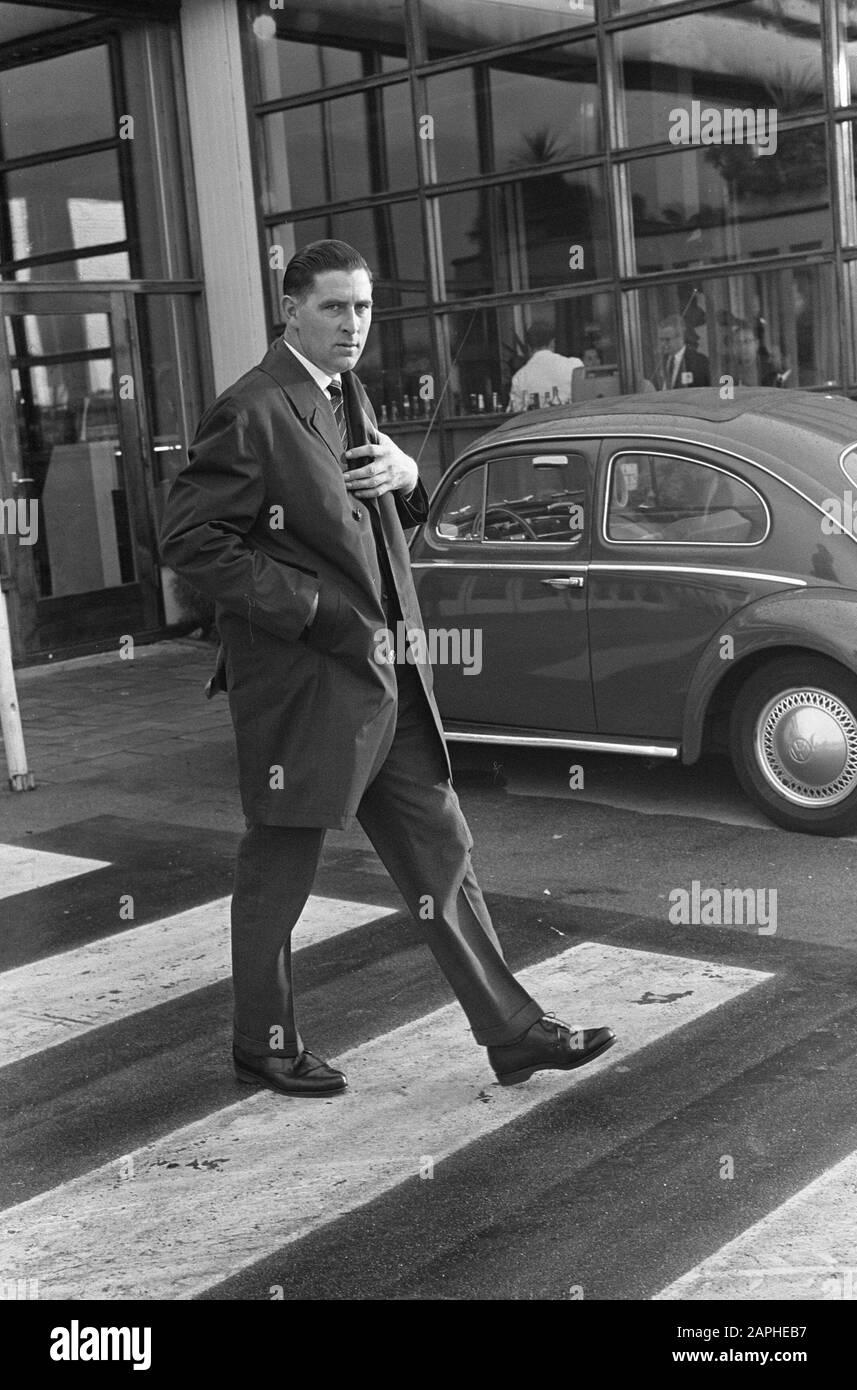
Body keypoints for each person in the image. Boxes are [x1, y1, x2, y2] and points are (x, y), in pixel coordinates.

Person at [160, 240, 615, 1097]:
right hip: (306, 686)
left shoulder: (348, 393)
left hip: (388, 676)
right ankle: (262, 1042)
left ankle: (511, 1033)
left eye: (363, 308)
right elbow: (190, 542)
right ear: (289, 309)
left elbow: (367, 520)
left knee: (441, 851)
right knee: (279, 870)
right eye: (334, 307)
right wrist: (318, 613)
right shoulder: (251, 409)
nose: (353, 324)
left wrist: (410, 479)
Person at [508, 321, 584, 412]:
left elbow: (515, 411)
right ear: (553, 342)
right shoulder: (575, 365)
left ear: (528, 347)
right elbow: (587, 398)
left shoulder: (520, 377)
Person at [653, 315, 710, 390]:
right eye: (661, 339)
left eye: (667, 340)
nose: (663, 344)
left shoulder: (698, 361)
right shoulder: (659, 361)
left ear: (680, 338)